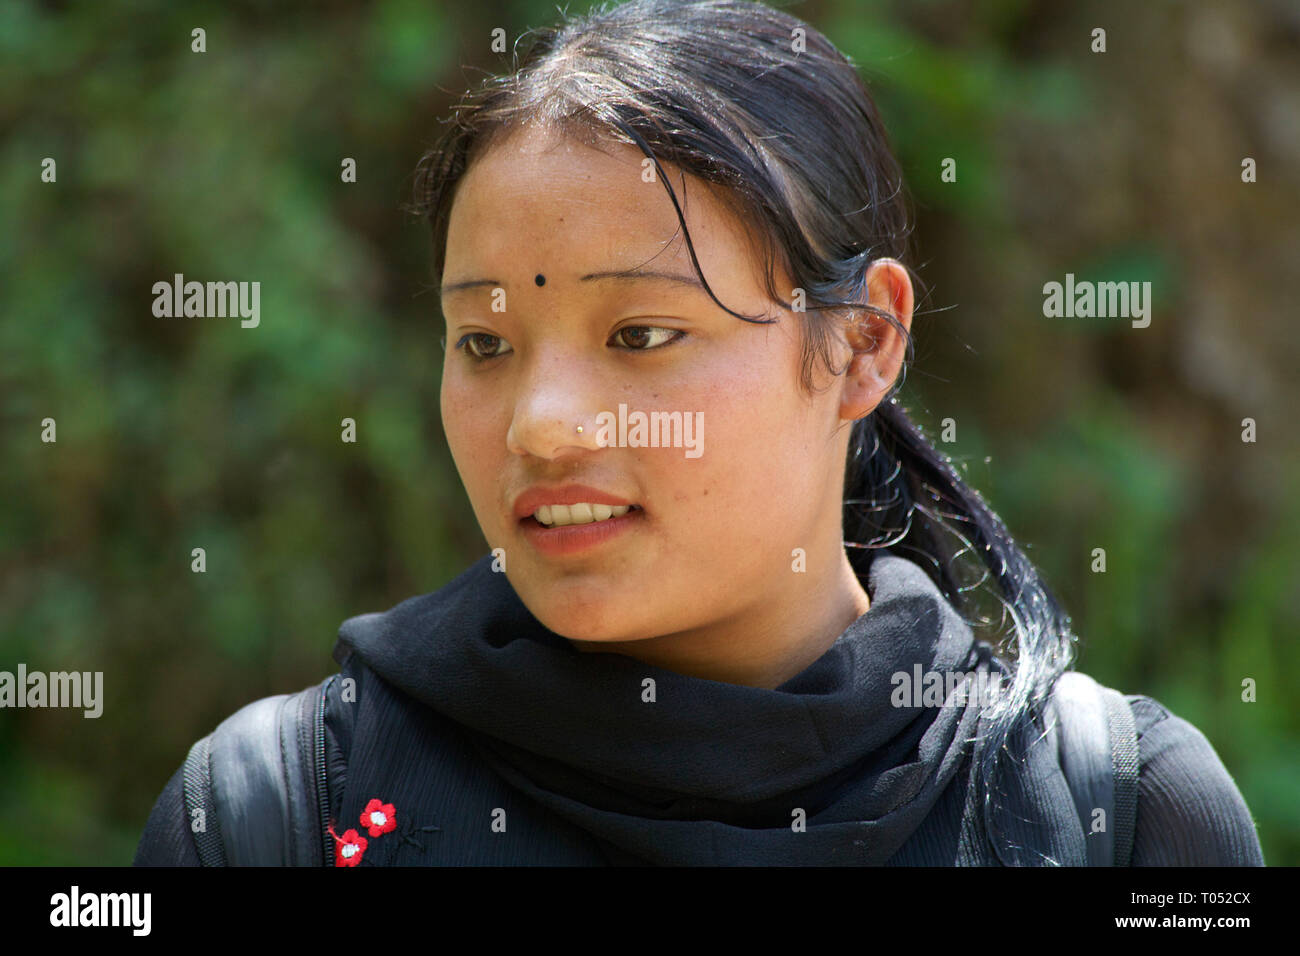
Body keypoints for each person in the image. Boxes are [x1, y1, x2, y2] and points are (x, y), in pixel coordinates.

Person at [134, 0, 1264, 866]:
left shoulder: (1109, 813)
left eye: (639, 332)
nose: (540, 423)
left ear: (863, 343)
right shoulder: (276, 812)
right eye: (483, 342)